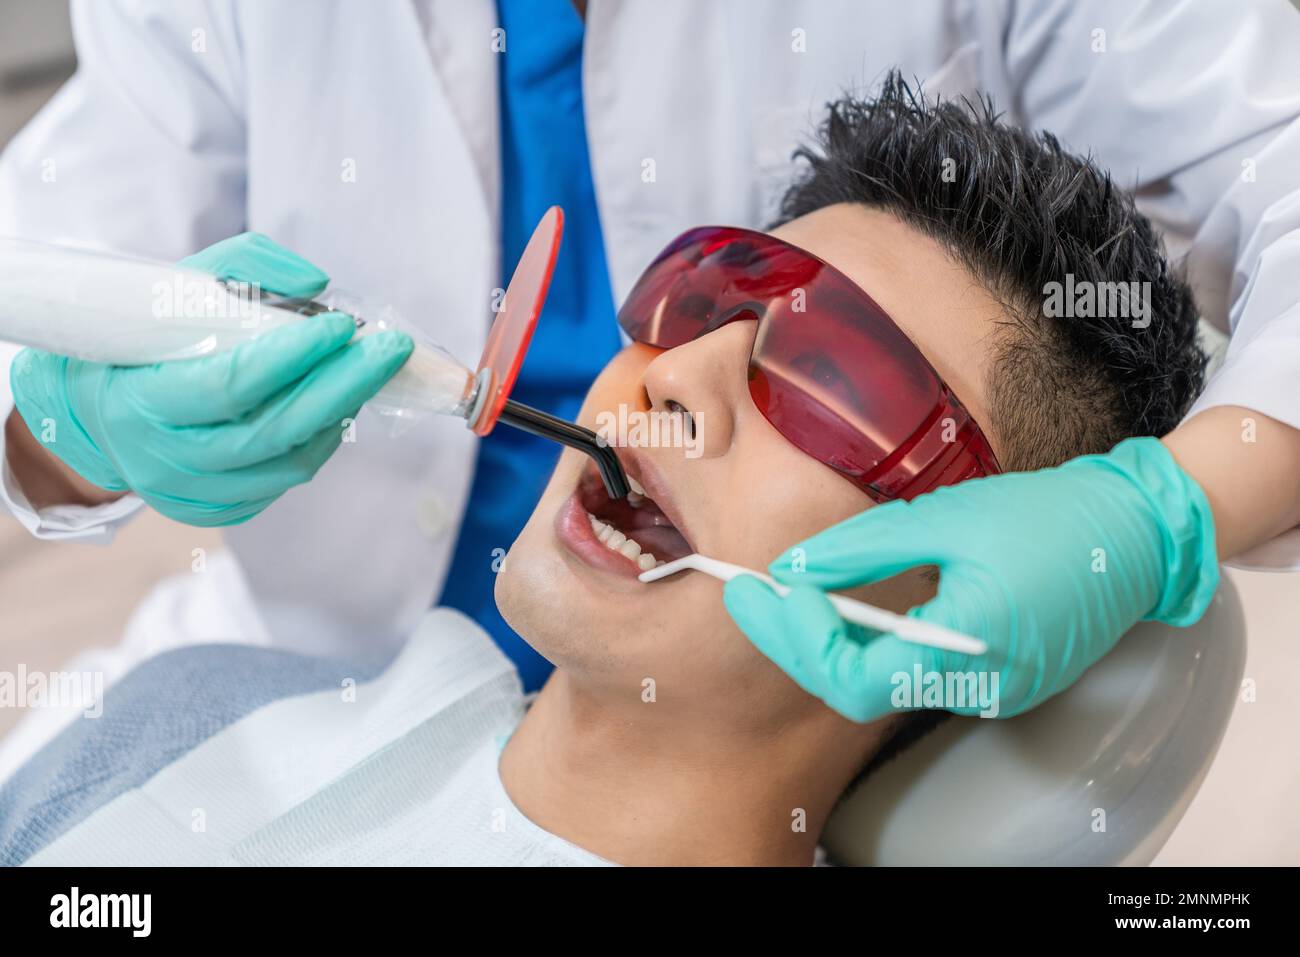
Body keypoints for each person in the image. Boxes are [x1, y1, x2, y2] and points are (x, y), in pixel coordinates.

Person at [1, 1, 1299, 751]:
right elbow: (45, 284)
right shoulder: (155, 764)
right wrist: (73, 424)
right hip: (307, 658)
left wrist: (1167, 508)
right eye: (705, 295)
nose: (667, 381)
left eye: (838, 380)